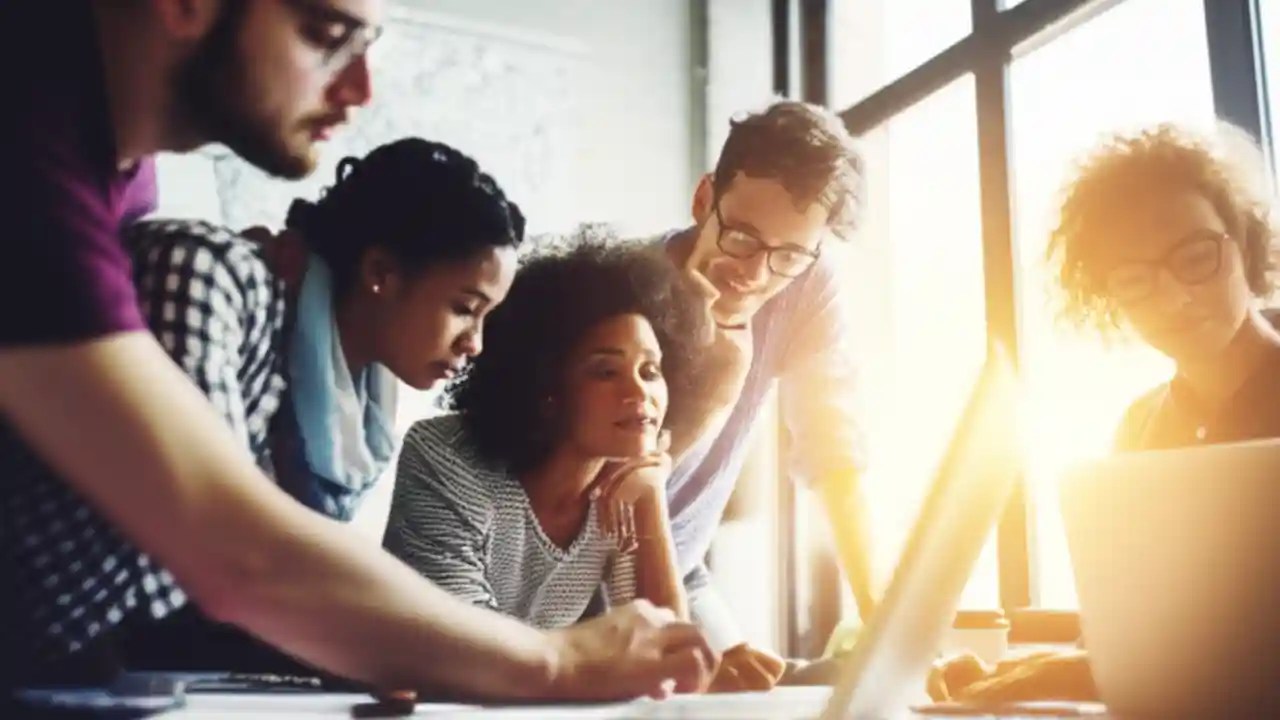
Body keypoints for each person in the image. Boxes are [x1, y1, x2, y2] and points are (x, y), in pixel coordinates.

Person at [0, 0, 714, 699]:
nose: (360, 89)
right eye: (326, 33)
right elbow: (231, 557)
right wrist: (551, 663)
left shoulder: (120, 181)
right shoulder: (58, 178)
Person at [118, 137, 523, 672]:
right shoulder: (212, 276)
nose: (475, 343)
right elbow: (218, 553)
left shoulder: (365, 406)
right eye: (464, 308)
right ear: (380, 272)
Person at [930, 120, 1280, 704]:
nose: (1172, 298)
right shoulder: (1140, 428)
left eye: (1195, 257)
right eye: (1135, 279)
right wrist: (1046, 669)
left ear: (1243, 242)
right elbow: (1147, 640)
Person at [385, 234, 715, 637]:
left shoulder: (625, 486)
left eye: (650, 371)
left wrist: (650, 496)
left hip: (524, 696)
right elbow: (463, 640)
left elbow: (664, 649)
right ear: (547, 388)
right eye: (606, 372)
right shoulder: (447, 456)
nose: (639, 392)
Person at [654, 100, 873, 690]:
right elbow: (595, 518)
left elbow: (832, 447)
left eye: (790, 255)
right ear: (704, 201)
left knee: (781, 687)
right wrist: (683, 644)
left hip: (681, 578)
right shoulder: (621, 292)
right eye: (742, 237)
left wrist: (882, 615)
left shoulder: (807, 284)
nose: (755, 273)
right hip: (582, 597)